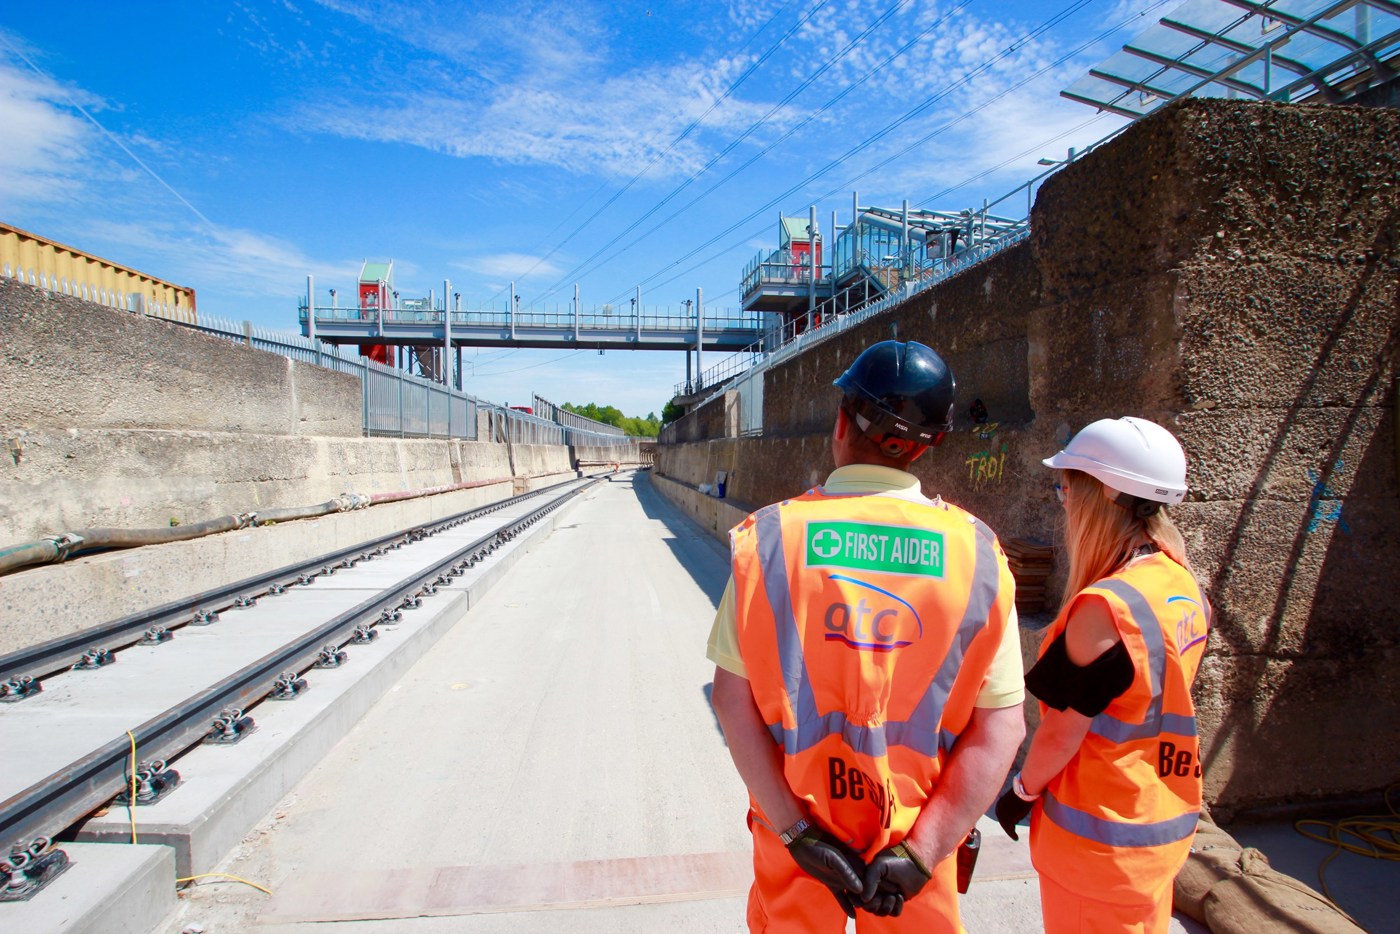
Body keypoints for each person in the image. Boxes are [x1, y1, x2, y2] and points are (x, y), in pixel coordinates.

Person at [708, 340, 1026, 932]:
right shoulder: (978, 556)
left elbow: (732, 701)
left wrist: (797, 832)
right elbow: (1001, 727)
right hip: (911, 851)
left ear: (840, 425)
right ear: (933, 443)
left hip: (799, 839)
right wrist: (923, 852)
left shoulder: (770, 543)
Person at [994, 417, 1210, 934]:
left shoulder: (1105, 609)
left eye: (1066, 486)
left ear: (1104, 496)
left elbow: (1063, 731)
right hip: (1156, 827)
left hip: (1097, 847)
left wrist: (1021, 790)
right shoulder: (1180, 584)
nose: (1062, 499)